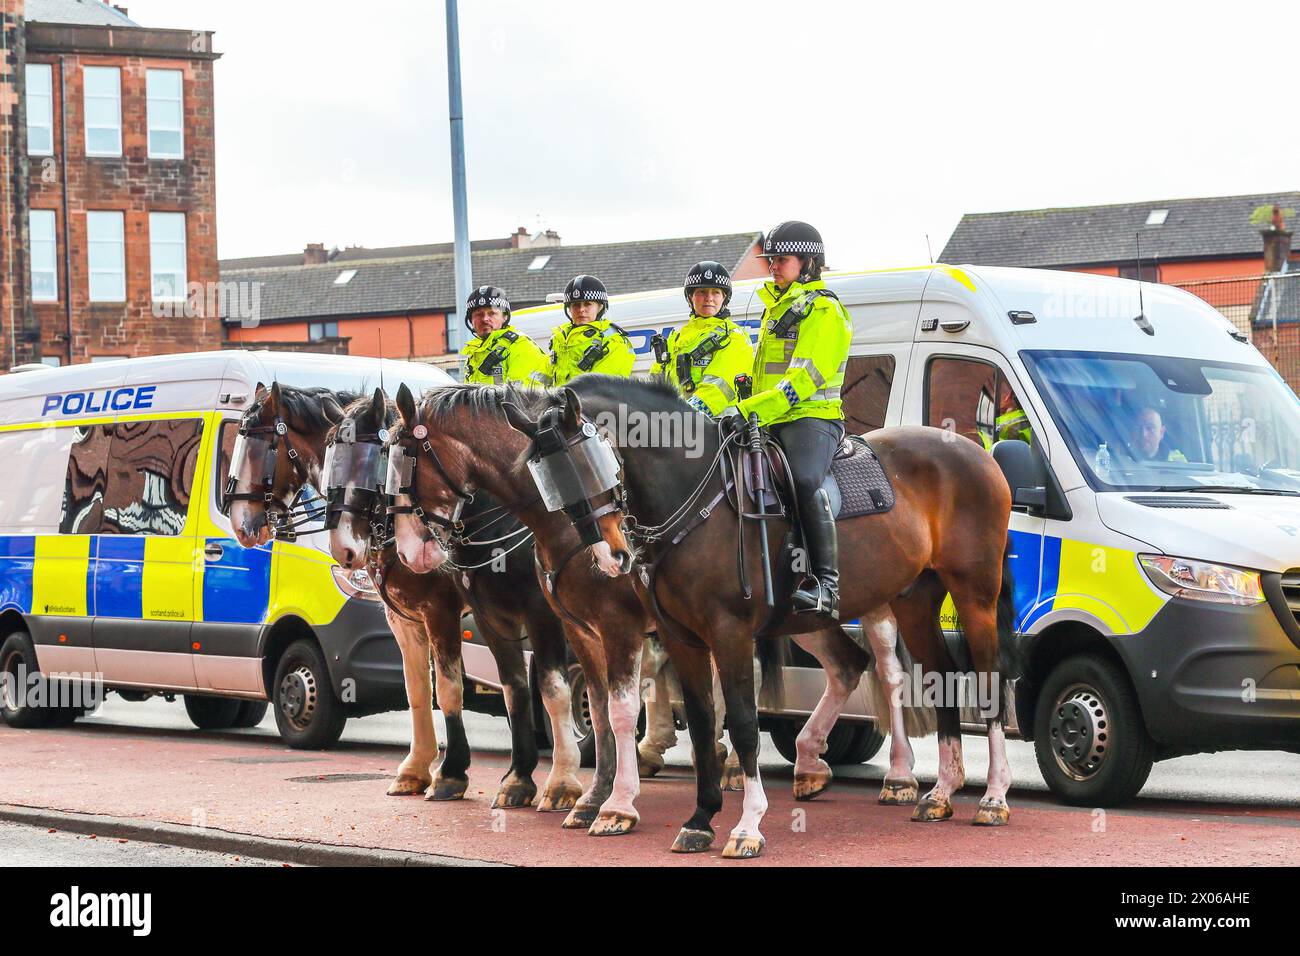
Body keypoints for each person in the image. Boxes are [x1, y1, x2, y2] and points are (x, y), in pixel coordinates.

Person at [732, 221, 852, 619]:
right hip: (770, 416)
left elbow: (803, 380)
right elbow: (767, 374)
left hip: (812, 417)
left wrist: (750, 410)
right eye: (771, 260)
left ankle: (826, 585)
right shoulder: (775, 308)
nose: (773, 267)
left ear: (808, 262)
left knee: (802, 479)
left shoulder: (824, 310)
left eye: (781, 260)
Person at [651, 260, 754, 415]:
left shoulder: (734, 337)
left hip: (719, 426)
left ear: (724, 298)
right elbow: (656, 382)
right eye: (702, 292)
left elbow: (718, 388)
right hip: (678, 422)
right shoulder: (676, 337)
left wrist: (682, 417)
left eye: (716, 292)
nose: (709, 298)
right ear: (690, 297)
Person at [548, 275, 636, 385]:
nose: (581, 309)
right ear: (568, 309)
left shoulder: (613, 342)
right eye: (575, 305)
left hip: (591, 402)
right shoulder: (559, 338)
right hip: (561, 401)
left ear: (600, 307)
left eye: (588, 304)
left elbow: (601, 390)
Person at [459, 285, 550, 386]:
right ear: (470, 320)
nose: (485, 319)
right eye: (479, 314)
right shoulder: (474, 353)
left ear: (505, 317)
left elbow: (523, 398)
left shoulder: (519, 346)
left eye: (492, 313)